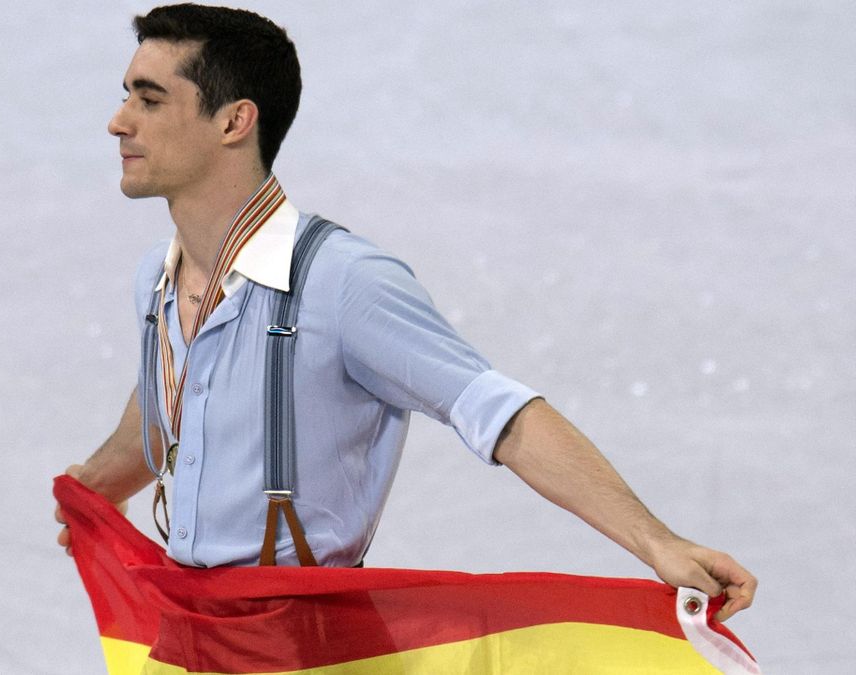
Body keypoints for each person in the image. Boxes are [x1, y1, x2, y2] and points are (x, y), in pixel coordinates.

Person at [55, 3, 756, 621]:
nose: (118, 121)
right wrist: (90, 489)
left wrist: (657, 540)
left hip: (310, 647)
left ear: (235, 120)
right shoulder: (159, 275)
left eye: (149, 99)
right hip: (189, 633)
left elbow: (500, 413)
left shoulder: (343, 283)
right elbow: (162, 406)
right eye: (126, 96)